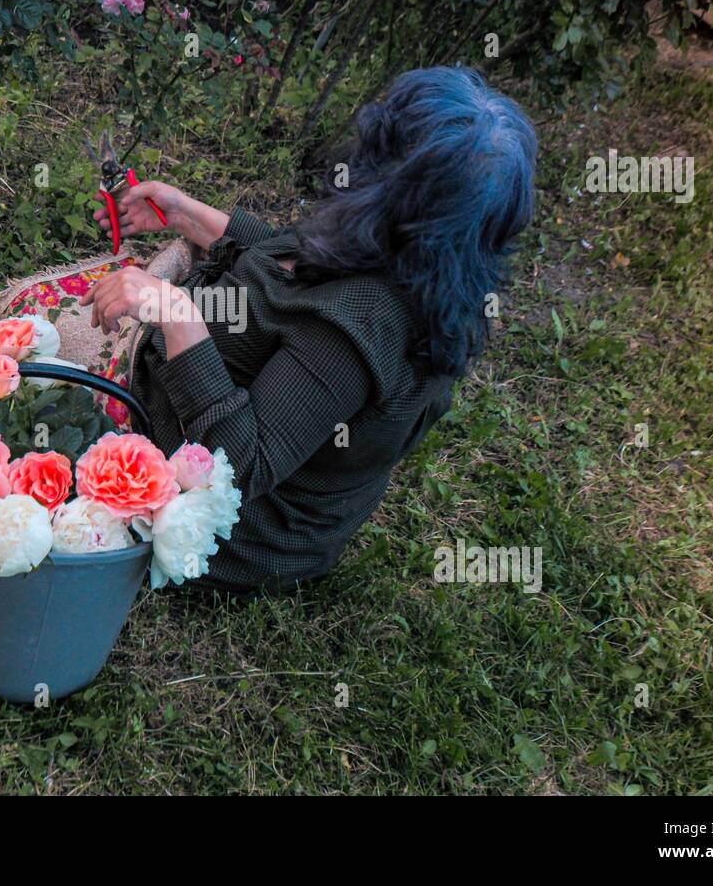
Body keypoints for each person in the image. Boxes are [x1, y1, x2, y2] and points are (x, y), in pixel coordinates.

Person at [79, 66, 537, 595]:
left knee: (25, 383)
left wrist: (177, 314)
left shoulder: (355, 331)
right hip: (229, 434)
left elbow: (236, 467)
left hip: (232, 527)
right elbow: (295, 264)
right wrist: (186, 216)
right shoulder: (412, 255)